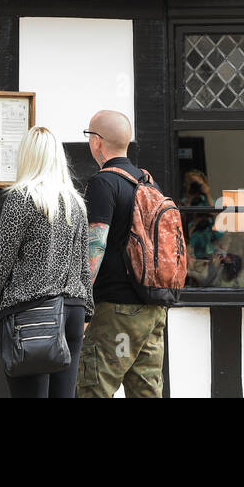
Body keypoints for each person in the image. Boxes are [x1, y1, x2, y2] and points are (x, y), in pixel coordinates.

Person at [0, 126, 93, 398]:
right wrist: (88, 311)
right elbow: (84, 264)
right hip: (73, 310)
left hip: (32, 313)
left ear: (27, 156)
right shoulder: (75, 202)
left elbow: (0, 261)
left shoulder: (22, 199)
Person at [76, 109, 167, 398]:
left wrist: (81, 302)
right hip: (153, 308)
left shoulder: (103, 182)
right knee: (146, 391)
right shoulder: (148, 182)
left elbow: (96, 245)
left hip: (117, 310)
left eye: (90, 135)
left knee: (94, 388)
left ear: (97, 141)